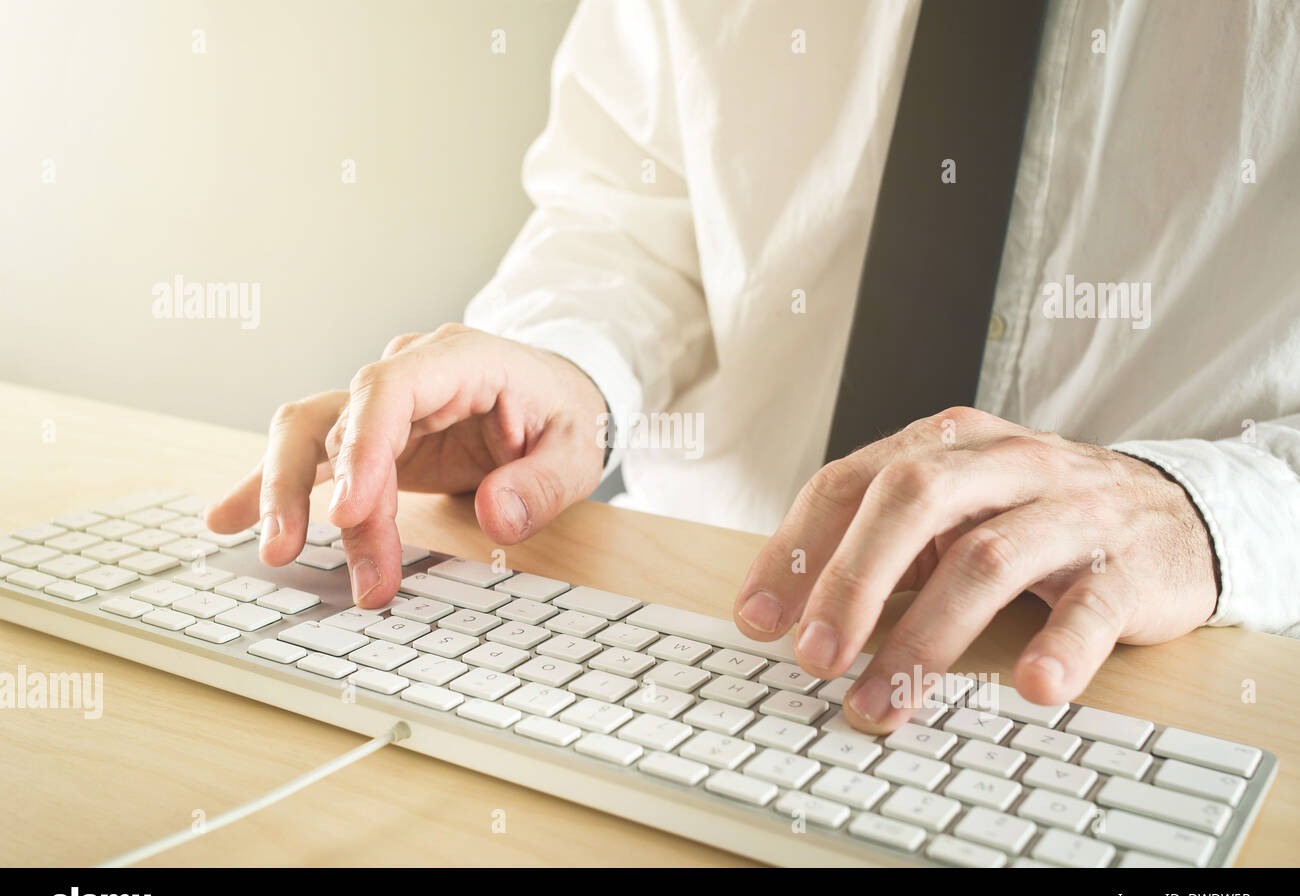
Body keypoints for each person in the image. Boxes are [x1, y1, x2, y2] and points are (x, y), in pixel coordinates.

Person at [206, 1, 1300, 734]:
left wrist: (1209, 514)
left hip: (1166, 685)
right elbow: (634, 209)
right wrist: (563, 360)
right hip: (697, 637)